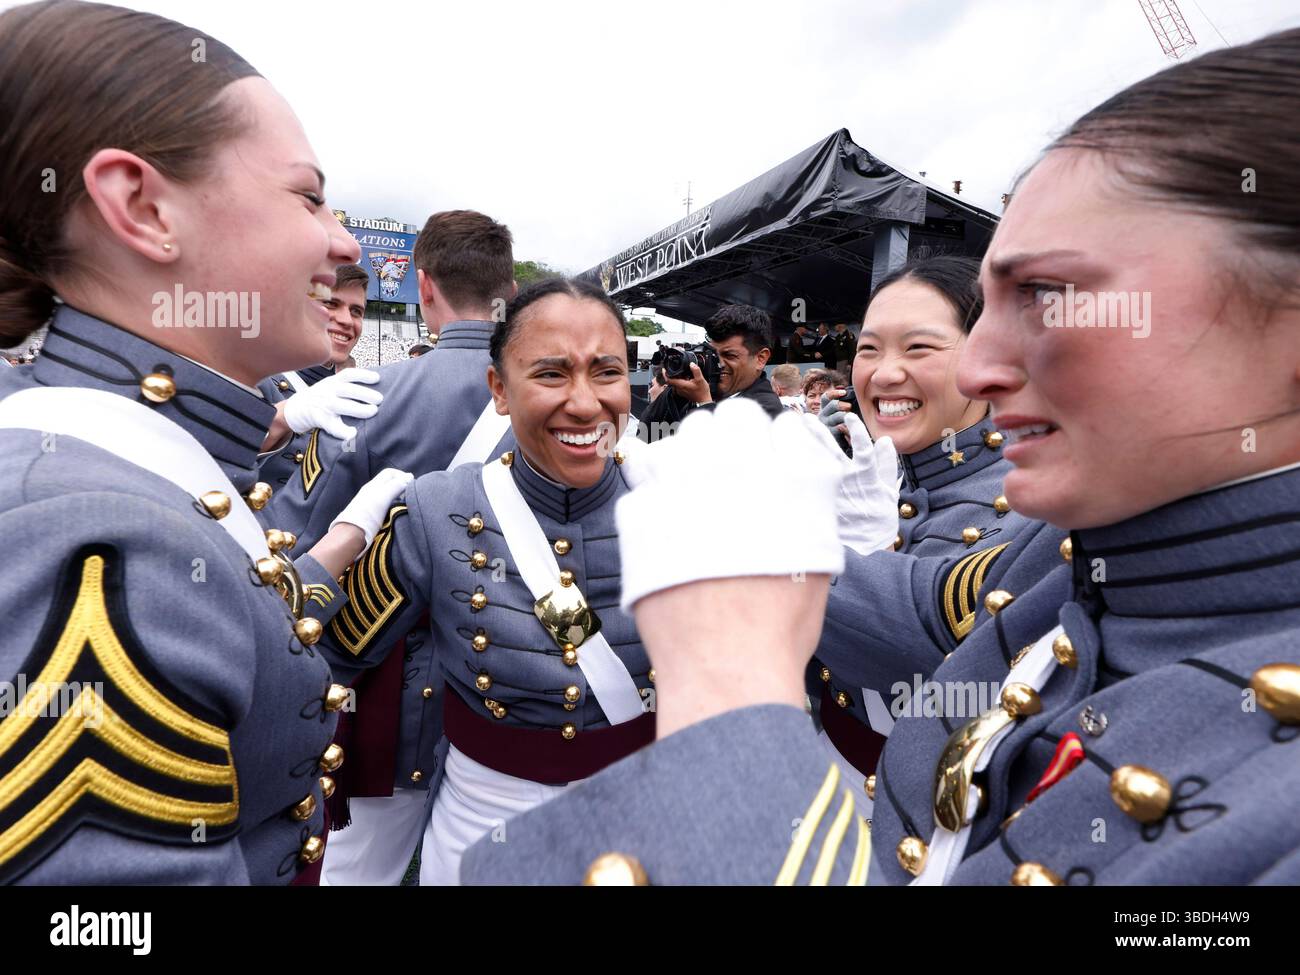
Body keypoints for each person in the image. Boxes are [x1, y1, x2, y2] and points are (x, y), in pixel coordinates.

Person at [461, 26, 1300, 884]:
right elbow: (917, 608)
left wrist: (730, 679)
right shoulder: (1082, 551)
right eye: (867, 346)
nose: (980, 365)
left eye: (1050, 295)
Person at [0, 0, 411, 884]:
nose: (342, 239)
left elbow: (221, 597)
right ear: (144, 207)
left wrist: (344, 539)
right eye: (309, 195)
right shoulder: (96, 544)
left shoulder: (120, 464)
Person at [308, 277, 657, 884]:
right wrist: (336, 548)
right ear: (499, 389)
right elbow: (328, 658)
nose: (584, 403)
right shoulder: (436, 507)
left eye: (606, 373)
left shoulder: (679, 504)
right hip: (483, 817)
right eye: (551, 374)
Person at [265, 210, 518, 886]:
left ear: (424, 287)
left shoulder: (366, 395)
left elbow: (287, 556)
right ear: (510, 293)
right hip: (520, 701)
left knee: (353, 877)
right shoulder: (558, 403)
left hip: (389, 691)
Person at [807, 256, 1049, 814]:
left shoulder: (1035, 498)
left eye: (918, 349)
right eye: (868, 350)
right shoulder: (863, 475)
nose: (884, 373)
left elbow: (931, 664)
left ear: (991, 356)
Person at [257, 261, 376, 491]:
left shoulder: (357, 394)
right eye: (331, 304)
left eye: (356, 311)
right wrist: (282, 418)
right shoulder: (254, 374)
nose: (346, 320)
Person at [668, 304, 784, 418]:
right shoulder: (703, 392)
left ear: (761, 358)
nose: (719, 363)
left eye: (729, 355)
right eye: (712, 354)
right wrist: (676, 392)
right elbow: (652, 429)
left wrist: (705, 403)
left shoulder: (767, 410)